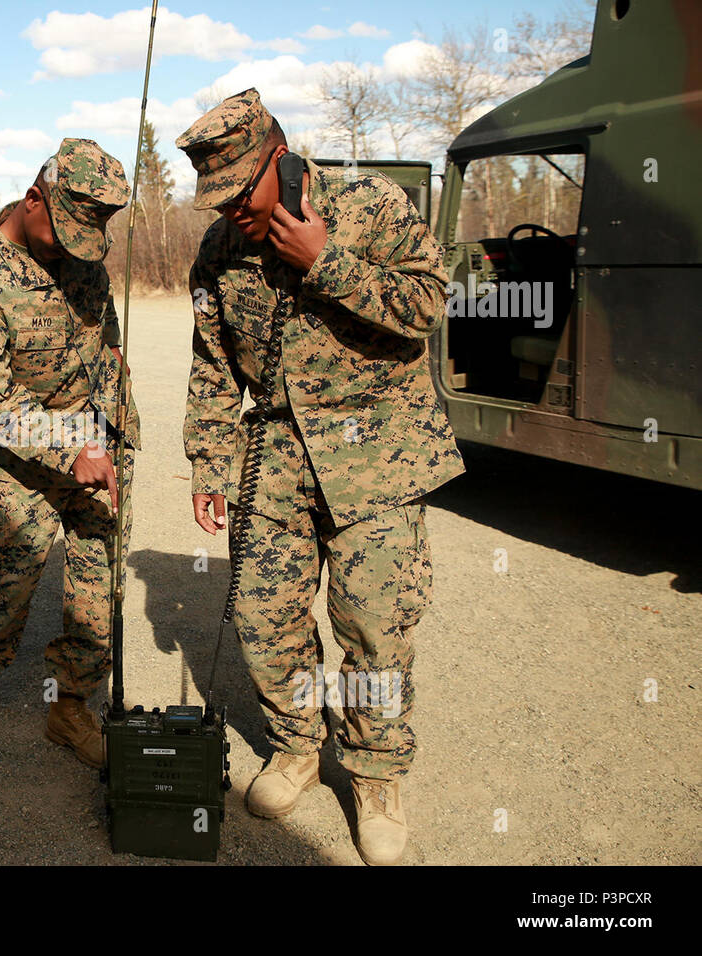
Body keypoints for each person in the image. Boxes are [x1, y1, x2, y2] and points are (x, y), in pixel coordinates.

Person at [175, 89, 464, 865]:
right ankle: (298, 747)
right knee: (266, 624)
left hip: (378, 460)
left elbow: (429, 306)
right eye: (217, 196)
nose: (232, 208)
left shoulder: (373, 205)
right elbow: (212, 365)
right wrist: (207, 460)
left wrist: (326, 261)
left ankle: (373, 777)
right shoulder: (217, 251)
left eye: (242, 190)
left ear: (281, 155)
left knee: (374, 631)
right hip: (273, 468)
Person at [0, 138, 139, 781]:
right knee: (7, 581)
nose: (75, 251)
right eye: (65, 233)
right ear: (32, 200)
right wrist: (68, 446)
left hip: (97, 448)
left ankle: (70, 707)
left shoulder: (83, 259)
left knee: (96, 585)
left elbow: (104, 347)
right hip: (29, 456)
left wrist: (114, 432)